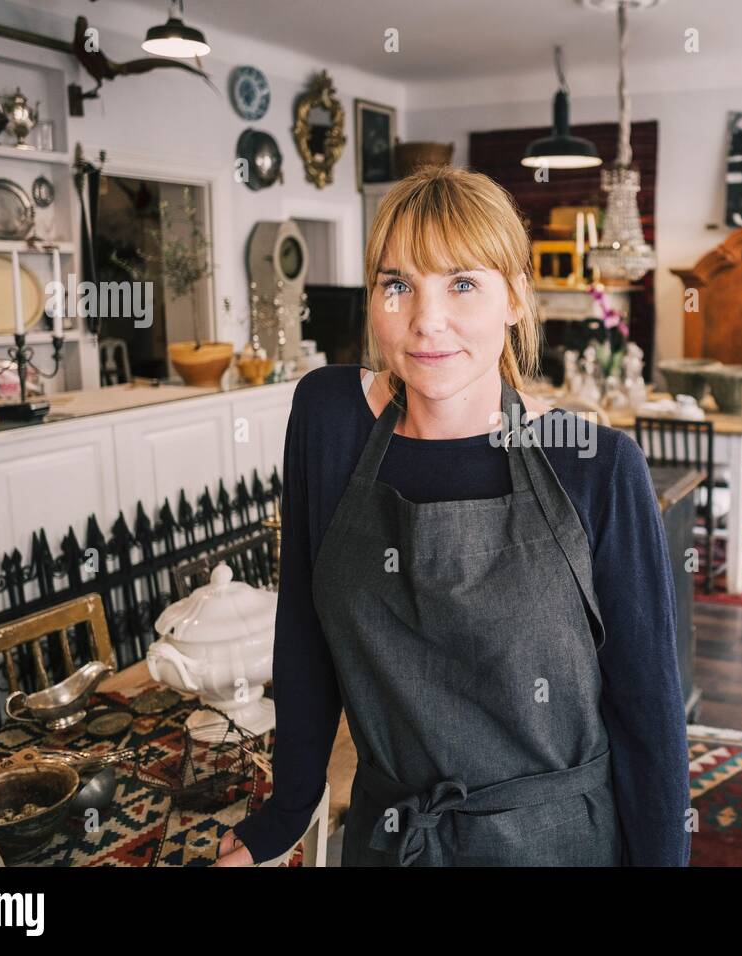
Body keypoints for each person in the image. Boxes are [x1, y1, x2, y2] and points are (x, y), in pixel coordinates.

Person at [214, 166, 690, 867]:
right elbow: (305, 630)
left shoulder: (596, 465)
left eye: (462, 283)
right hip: (390, 840)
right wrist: (289, 808)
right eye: (397, 285)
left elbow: (649, 712)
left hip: (555, 845)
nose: (425, 321)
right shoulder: (328, 420)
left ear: (516, 300)